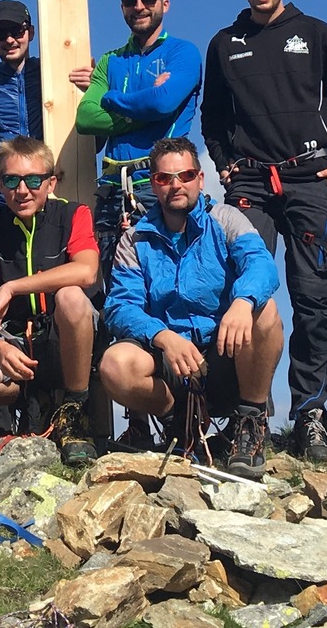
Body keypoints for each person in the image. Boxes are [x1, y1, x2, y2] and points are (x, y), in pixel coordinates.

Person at [201, 0, 327, 464]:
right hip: (249, 183)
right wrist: (225, 164)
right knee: (246, 294)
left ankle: (310, 414)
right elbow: (212, 117)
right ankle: (248, 413)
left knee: (313, 297)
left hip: (310, 179)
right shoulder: (224, 43)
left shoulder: (315, 33)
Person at [68, 0, 203, 449]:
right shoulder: (111, 59)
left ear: (164, 4)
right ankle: (136, 422)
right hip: (113, 191)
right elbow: (86, 117)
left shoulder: (184, 52)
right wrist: (139, 103)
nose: (139, 7)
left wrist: (114, 101)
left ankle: (186, 409)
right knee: (116, 301)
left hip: (162, 185)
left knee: (176, 294)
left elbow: (168, 100)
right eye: (130, 0)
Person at [100, 136, 284, 480]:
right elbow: (120, 306)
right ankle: (180, 424)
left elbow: (262, 265)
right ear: (153, 184)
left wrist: (242, 302)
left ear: (200, 179)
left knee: (266, 310)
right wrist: (162, 336)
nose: (175, 185)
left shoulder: (227, 219)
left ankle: (250, 421)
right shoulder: (135, 239)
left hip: (225, 352)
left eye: (185, 176)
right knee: (115, 364)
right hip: (172, 361)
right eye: (164, 178)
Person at [0, 136, 99, 465]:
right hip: (17, 348)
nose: (22, 190)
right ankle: (32, 403)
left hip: (64, 343)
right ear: (0, 184)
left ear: (50, 182)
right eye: (11, 180)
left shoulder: (73, 215)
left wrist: (13, 287)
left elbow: (87, 271)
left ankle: (75, 415)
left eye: (33, 180)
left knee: (72, 298)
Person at [0, 0, 42, 154]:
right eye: (0, 34)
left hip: (49, 173)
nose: (10, 40)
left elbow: (92, 141)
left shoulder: (53, 76)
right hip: (2, 175)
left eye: (17, 31)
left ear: (31, 32)